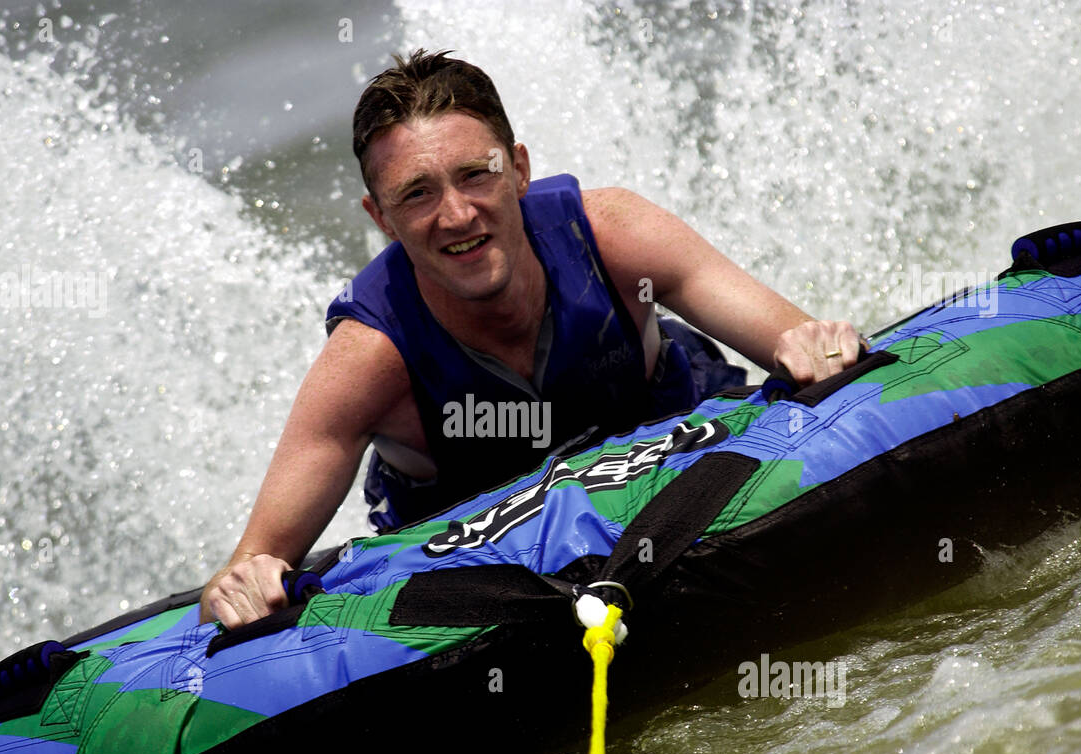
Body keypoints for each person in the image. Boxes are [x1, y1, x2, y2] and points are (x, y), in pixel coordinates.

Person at [201, 49, 864, 630]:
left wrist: (813, 347)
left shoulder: (612, 234)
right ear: (381, 218)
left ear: (518, 169)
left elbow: (800, 344)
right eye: (417, 194)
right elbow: (250, 569)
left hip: (674, 438)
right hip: (481, 550)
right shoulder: (371, 355)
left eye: (475, 175)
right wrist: (243, 583)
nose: (457, 215)